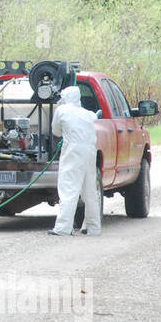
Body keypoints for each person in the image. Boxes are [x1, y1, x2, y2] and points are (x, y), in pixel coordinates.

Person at [48, 85, 101, 237]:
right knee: (90, 190)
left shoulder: (62, 111)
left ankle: (63, 228)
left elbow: (55, 131)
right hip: (90, 152)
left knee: (69, 189)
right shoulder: (88, 114)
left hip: (72, 151)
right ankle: (94, 227)